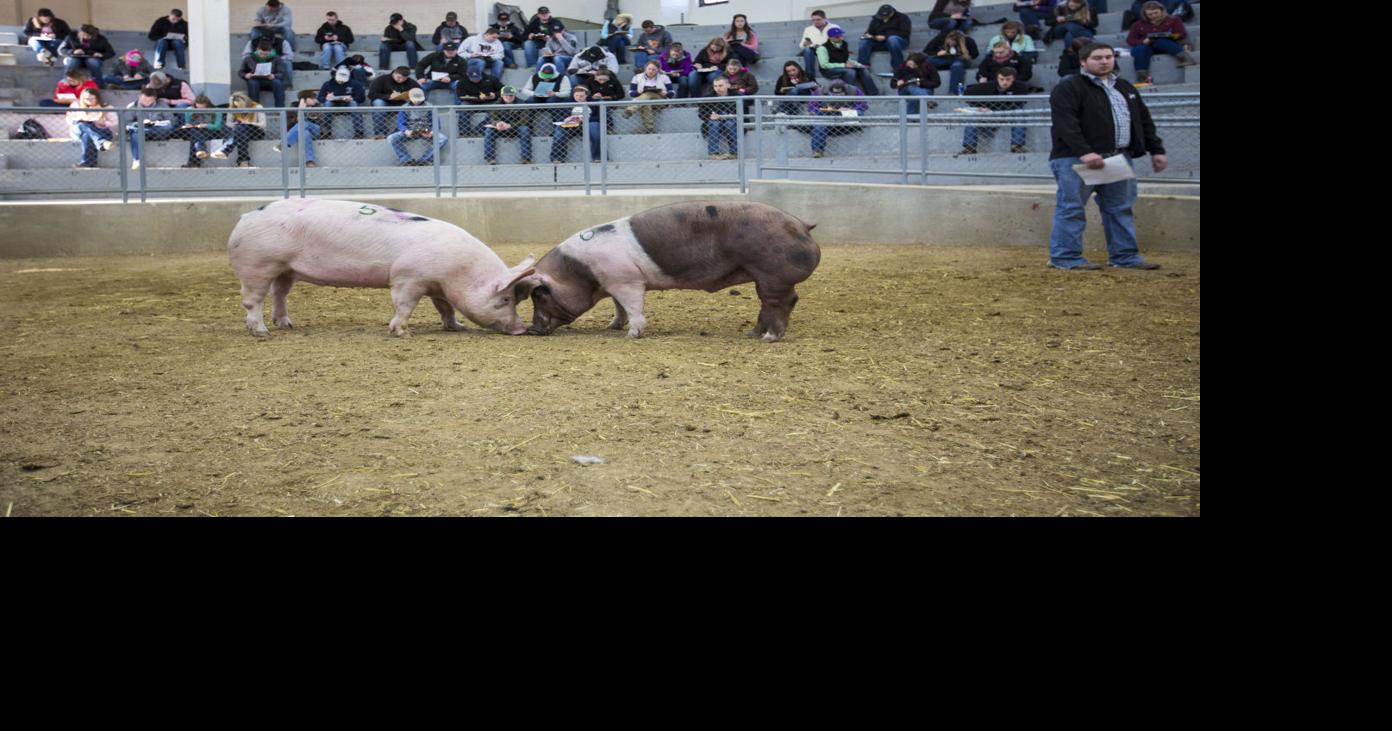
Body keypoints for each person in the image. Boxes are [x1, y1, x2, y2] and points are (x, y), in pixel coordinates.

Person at [1048, 42, 1166, 270]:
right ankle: (1065, 257)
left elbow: (1143, 121)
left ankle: (1125, 257)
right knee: (1071, 208)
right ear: (1083, 62)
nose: (1104, 61)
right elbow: (1066, 124)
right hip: (1076, 158)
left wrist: (1156, 149)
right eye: (1097, 58)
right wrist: (1084, 151)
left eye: (1108, 57)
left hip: (1116, 157)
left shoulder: (1124, 87)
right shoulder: (1069, 87)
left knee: (1119, 208)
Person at [960, 67, 1031, 155]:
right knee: (972, 117)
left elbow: (1021, 102)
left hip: (1009, 112)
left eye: (1008, 79)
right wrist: (980, 107)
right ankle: (969, 148)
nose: (1004, 82)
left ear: (1013, 79)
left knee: (1019, 113)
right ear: (997, 78)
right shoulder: (988, 85)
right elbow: (967, 94)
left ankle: (1016, 147)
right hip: (988, 113)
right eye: (1001, 79)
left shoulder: (1021, 86)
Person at [1126, 1, 1196, 84]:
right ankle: (1142, 77)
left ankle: (1186, 58)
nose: (1153, 16)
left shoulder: (1173, 20)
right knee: (1141, 48)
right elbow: (1130, 40)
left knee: (1159, 41)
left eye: (1156, 13)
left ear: (1162, 11)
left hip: (1166, 44)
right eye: (1150, 14)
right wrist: (1143, 41)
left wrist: (1169, 36)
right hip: (1146, 47)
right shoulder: (1138, 24)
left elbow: (1181, 34)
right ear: (1145, 14)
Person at [808, 79, 867, 157]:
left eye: (840, 94)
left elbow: (863, 105)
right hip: (827, 115)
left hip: (845, 114)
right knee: (819, 126)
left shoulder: (853, 90)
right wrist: (825, 109)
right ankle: (817, 151)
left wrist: (850, 109)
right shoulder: (820, 91)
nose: (837, 96)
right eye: (834, 94)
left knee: (859, 114)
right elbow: (811, 107)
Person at [390, 88, 447, 166]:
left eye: (419, 99)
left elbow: (436, 122)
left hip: (426, 131)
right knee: (391, 138)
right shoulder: (404, 107)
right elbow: (401, 123)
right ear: (410, 98)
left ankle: (425, 159)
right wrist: (405, 131)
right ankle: (406, 159)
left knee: (443, 138)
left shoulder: (429, 106)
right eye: (415, 99)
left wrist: (432, 131)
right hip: (410, 131)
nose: (417, 101)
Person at [125, 87, 176, 170]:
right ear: (139, 96)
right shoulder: (132, 106)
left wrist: (156, 123)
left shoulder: (162, 105)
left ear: (154, 98)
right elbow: (127, 123)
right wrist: (139, 124)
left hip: (157, 130)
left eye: (149, 100)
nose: (146, 102)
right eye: (144, 99)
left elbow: (172, 121)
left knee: (168, 126)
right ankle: (137, 161)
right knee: (135, 133)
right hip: (141, 130)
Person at [211, 92, 266, 167]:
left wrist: (249, 123)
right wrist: (236, 124)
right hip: (240, 131)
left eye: (241, 106)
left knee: (241, 129)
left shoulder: (257, 107)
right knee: (241, 132)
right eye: (237, 106)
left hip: (256, 132)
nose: (239, 108)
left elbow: (263, 125)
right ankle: (244, 162)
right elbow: (228, 123)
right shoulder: (232, 108)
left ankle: (225, 151)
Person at [819, 27, 879, 95]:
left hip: (843, 67)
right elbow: (824, 65)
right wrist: (844, 65)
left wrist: (860, 65)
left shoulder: (844, 44)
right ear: (830, 38)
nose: (841, 38)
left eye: (841, 36)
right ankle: (849, 95)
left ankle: (873, 94)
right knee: (850, 71)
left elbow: (848, 59)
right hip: (828, 70)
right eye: (837, 37)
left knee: (863, 70)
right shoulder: (822, 48)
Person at [549, 85, 602, 163]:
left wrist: (585, 119)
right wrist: (567, 119)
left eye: (581, 96)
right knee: (558, 132)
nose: (579, 97)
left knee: (595, 127)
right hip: (571, 125)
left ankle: (598, 157)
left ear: (586, 95)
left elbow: (600, 117)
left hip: (588, 125)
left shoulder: (593, 104)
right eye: (576, 95)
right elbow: (558, 116)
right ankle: (557, 158)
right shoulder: (567, 103)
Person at [67, 87, 117, 168]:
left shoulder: (105, 107)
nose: (89, 101)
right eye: (86, 99)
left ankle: (88, 163)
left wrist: (104, 122)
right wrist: (82, 118)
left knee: (87, 135)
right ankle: (101, 142)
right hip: (79, 130)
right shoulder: (76, 105)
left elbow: (115, 121)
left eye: (92, 99)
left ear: (97, 98)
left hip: (101, 131)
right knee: (82, 124)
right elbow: (69, 119)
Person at [483, 86, 534, 164]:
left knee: (525, 129)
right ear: (502, 96)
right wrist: (498, 123)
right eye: (506, 95)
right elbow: (492, 118)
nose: (509, 97)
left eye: (511, 95)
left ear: (514, 95)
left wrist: (511, 125)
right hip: (501, 128)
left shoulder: (522, 104)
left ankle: (525, 158)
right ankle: (490, 159)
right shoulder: (496, 104)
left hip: (516, 128)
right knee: (489, 130)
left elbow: (525, 120)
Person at [277, 90, 327, 167]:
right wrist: (300, 110)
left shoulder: (317, 106)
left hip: (316, 130)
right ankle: (309, 161)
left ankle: (284, 143)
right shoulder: (294, 106)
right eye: (312, 98)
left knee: (304, 123)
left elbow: (321, 121)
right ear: (304, 99)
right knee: (305, 133)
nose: (315, 100)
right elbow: (291, 123)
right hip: (299, 132)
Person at [173, 94, 223, 167]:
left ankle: (193, 162)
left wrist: (206, 125)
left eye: (203, 107)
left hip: (210, 132)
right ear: (195, 105)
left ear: (207, 105)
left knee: (194, 136)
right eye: (198, 107)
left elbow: (217, 127)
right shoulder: (190, 110)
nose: (200, 109)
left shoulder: (216, 111)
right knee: (194, 131)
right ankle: (201, 151)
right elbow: (188, 123)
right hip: (195, 131)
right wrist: (188, 125)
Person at [368, 66, 421, 136]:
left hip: (402, 103)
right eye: (399, 77)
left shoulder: (410, 82)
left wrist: (410, 98)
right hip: (385, 102)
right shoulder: (382, 79)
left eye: (404, 78)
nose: (401, 80)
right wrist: (388, 97)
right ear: (394, 73)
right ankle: (380, 132)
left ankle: (399, 132)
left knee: (414, 104)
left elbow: (420, 93)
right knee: (378, 103)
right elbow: (371, 94)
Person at [923, 29, 978, 94]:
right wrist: (938, 53)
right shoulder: (941, 38)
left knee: (957, 65)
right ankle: (926, 87)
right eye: (949, 42)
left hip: (960, 61)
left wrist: (965, 54)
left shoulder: (968, 41)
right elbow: (927, 51)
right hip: (944, 60)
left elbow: (975, 54)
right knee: (928, 60)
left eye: (954, 43)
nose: (951, 44)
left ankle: (953, 92)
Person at [858, 4, 911, 72]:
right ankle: (863, 68)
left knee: (892, 39)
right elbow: (870, 31)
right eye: (881, 16)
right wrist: (868, 35)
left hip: (899, 42)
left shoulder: (902, 18)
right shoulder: (876, 19)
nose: (883, 18)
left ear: (892, 13)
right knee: (864, 42)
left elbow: (905, 33)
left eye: (885, 16)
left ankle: (898, 68)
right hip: (880, 43)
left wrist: (886, 37)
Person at [625, 61, 674, 134]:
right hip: (644, 101)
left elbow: (672, 93)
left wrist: (665, 93)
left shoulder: (664, 77)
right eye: (649, 69)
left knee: (649, 93)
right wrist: (639, 92)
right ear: (645, 69)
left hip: (660, 101)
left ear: (658, 70)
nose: (651, 71)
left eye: (654, 70)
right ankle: (650, 128)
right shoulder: (637, 77)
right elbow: (631, 93)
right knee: (646, 102)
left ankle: (630, 109)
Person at [319, 66, 367, 138]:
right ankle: (327, 130)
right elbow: (320, 98)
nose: (341, 82)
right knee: (327, 103)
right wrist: (327, 98)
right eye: (339, 80)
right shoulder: (328, 84)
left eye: (343, 80)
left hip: (348, 104)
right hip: (333, 104)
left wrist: (352, 98)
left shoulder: (355, 84)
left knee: (353, 103)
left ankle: (359, 131)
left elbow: (362, 98)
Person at [455, 67, 502, 136]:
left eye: (478, 77)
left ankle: (480, 129)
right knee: (463, 107)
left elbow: (503, 90)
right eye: (473, 78)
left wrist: (495, 95)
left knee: (498, 107)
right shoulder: (462, 82)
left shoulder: (491, 78)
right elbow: (461, 96)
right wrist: (477, 98)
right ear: (468, 75)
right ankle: (464, 132)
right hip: (471, 102)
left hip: (490, 102)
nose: (476, 80)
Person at [700, 77, 739, 160]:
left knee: (730, 123)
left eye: (720, 85)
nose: (717, 88)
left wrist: (730, 115)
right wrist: (709, 116)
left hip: (732, 120)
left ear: (728, 85)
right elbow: (701, 114)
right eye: (715, 86)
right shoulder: (708, 97)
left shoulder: (737, 96)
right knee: (714, 124)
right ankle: (713, 153)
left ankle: (734, 153)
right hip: (714, 122)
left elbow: (744, 111)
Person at [241, 39, 286, 108]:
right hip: (255, 81)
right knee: (252, 83)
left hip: (270, 81)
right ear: (257, 49)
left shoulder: (276, 58)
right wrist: (246, 75)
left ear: (270, 51)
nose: (263, 56)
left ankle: (280, 108)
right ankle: (255, 108)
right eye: (261, 53)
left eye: (266, 54)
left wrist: (274, 75)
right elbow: (241, 71)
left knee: (277, 83)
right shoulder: (249, 58)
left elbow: (282, 73)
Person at [800, 10, 841, 78]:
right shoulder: (808, 29)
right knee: (807, 50)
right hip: (813, 49)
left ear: (825, 18)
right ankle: (810, 76)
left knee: (822, 50)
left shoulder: (834, 27)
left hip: (827, 50)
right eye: (813, 20)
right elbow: (801, 45)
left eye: (818, 19)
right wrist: (805, 44)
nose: (815, 22)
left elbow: (839, 42)